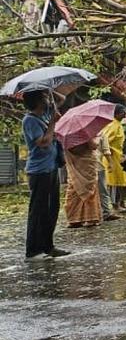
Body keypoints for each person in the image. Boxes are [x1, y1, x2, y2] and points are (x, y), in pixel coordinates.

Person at [22, 90, 69, 258]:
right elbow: (43, 142)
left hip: (51, 166)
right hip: (39, 170)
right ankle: (33, 248)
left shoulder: (46, 113)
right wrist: (53, 123)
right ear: (37, 101)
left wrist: (48, 89)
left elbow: (62, 98)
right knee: (39, 210)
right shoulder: (30, 120)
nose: (49, 99)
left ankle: (48, 246)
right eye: (44, 98)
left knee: (52, 209)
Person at [64, 138, 102, 229]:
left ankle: (73, 219)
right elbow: (93, 146)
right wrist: (96, 139)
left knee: (74, 188)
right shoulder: (84, 133)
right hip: (87, 163)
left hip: (74, 164)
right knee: (90, 189)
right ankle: (90, 218)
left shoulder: (65, 134)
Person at [101, 106, 126, 212]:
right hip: (112, 157)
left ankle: (120, 203)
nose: (125, 115)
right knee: (114, 182)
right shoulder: (112, 125)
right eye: (123, 113)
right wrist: (109, 154)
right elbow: (105, 141)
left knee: (121, 181)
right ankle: (115, 205)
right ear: (116, 114)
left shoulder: (118, 125)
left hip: (119, 157)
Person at [94, 130, 118, 222]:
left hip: (84, 166)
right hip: (98, 165)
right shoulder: (101, 132)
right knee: (102, 190)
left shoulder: (82, 133)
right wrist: (111, 163)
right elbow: (106, 150)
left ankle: (91, 214)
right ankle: (106, 212)